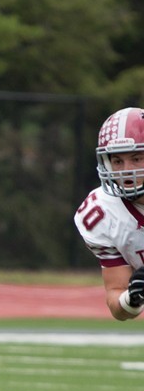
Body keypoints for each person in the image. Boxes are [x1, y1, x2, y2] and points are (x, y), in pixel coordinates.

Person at [75, 107, 144, 321]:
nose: (126, 170)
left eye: (136, 158)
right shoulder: (101, 212)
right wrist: (131, 299)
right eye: (117, 161)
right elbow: (116, 294)